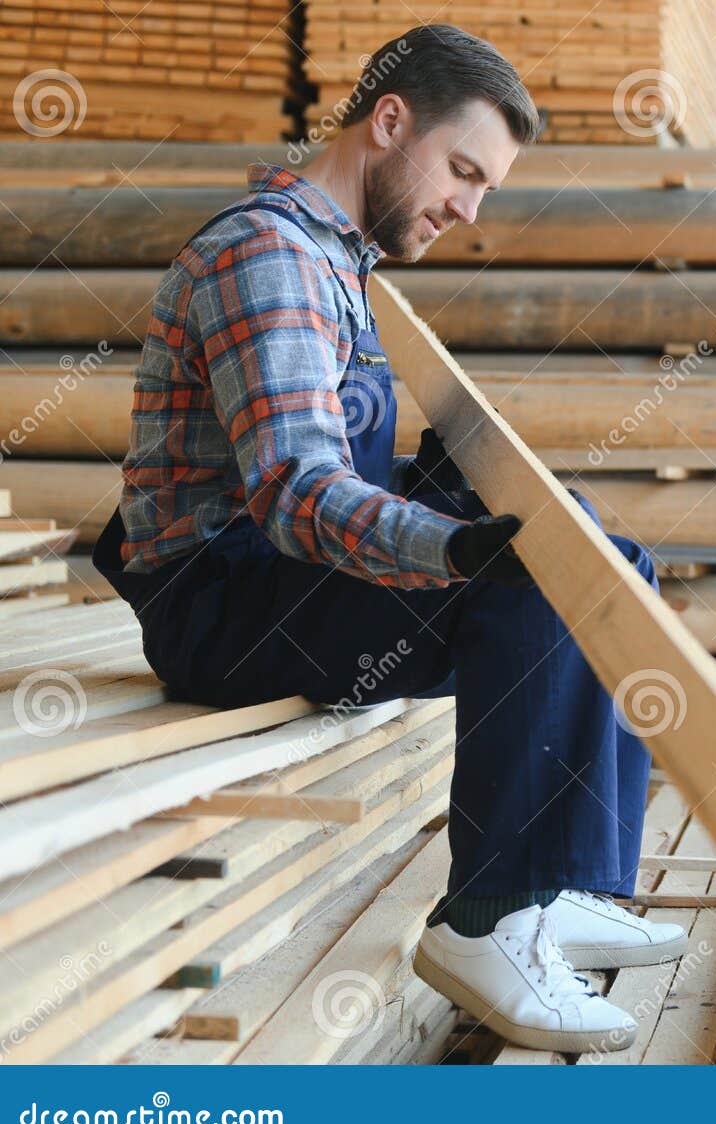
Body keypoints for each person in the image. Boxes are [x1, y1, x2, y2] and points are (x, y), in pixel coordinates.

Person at [92, 23, 685, 1054]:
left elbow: (343, 468)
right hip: (221, 603)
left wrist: (502, 513)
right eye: (462, 171)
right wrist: (459, 552)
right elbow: (291, 491)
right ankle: (485, 922)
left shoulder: (338, 262)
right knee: (528, 583)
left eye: (485, 186)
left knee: (600, 558)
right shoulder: (266, 255)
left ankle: (549, 888)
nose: (468, 207)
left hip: (289, 580)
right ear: (390, 120)